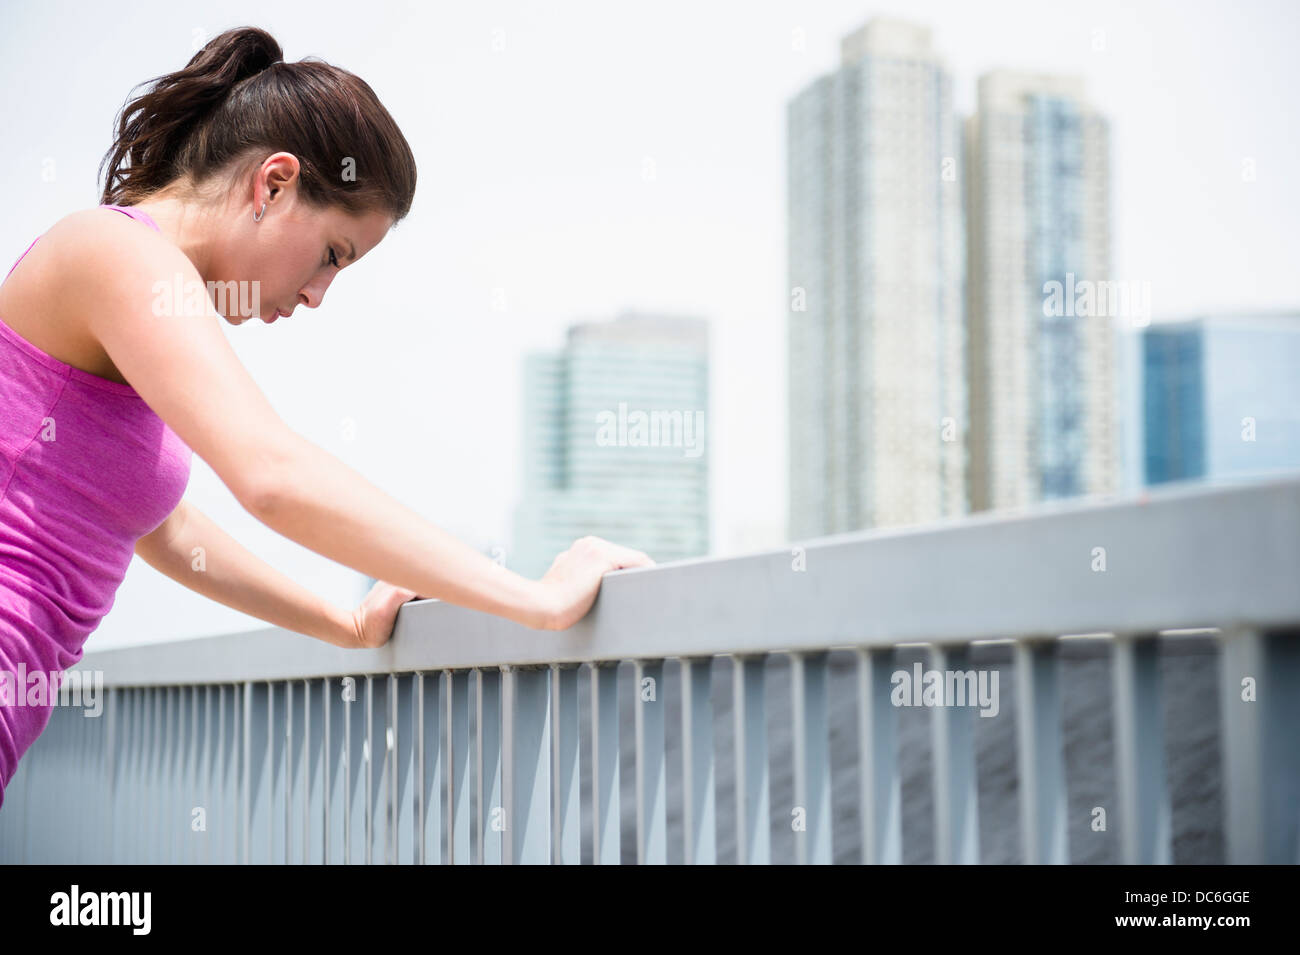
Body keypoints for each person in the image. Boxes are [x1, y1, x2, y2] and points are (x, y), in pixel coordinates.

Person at [0, 26, 653, 810]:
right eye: (332, 256)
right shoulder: (112, 251)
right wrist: (534, 602)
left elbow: (159, 528)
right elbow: (271, 474)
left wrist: (344, 623)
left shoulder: (134, 287)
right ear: (274, 184)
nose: (316, 297)